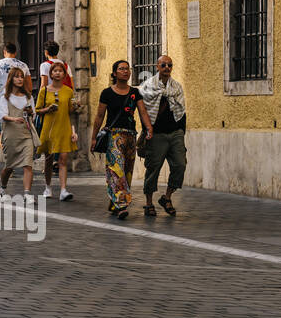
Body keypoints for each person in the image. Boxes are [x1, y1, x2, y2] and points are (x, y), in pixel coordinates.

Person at [90, 60, 152, 219]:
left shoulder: (135, 92)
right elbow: (99, 116)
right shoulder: (107, 93)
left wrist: (149, 129)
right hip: (114, 136)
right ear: (115, 73)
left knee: (127, 172)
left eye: (127, 69)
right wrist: (93, 138)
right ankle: (122, 205)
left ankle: (115, 200)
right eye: (122, 69)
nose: (126, 71)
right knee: (116, 171)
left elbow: (143, 111)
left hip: (131, 136)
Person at [140, 55, 186, 217]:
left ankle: (167, 197)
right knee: (153, 168)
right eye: (164, 65)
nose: (167, 68)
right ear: (157, 67)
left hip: (175, 133)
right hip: (156, 133)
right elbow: (143, 110)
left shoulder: (177, 87)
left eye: (170, 65)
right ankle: (148, 203)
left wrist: (181, 131)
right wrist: (147, 130)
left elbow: (182, 111)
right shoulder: (147, 87)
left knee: (180, 165)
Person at [35, 61, 77, 201]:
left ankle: (63, 190)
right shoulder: (44, 90)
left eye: (60, 71)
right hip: (49, 129)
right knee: (48, 160)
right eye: (55, 71)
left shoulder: (69, 91)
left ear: (65, 75)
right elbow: (37, 110)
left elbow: (70, 112)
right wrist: (47, 109)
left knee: (63, 159)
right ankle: (48, 187)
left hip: (64, 127)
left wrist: (75, 106)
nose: (57, 73)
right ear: (51, 74)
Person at [0, 67, 38, 198]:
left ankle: (27, 194)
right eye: (17, 76)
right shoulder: (5, 97)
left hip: (26, 135)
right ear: (11, 79)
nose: (20, 79)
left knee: (28, 165)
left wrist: (31, 112)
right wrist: (14, 118)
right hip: (11, 136)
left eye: (22, 77)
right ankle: (3, 188)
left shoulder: (28, 97)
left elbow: (34, 115)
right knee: (9, 167)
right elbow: (1, 116)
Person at [0, 42, 32, 156]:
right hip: (19, 101)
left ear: (4, 52)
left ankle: (7, 153)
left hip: (3, 101)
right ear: (15, 52)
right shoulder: (23, 65)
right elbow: (29, 87)